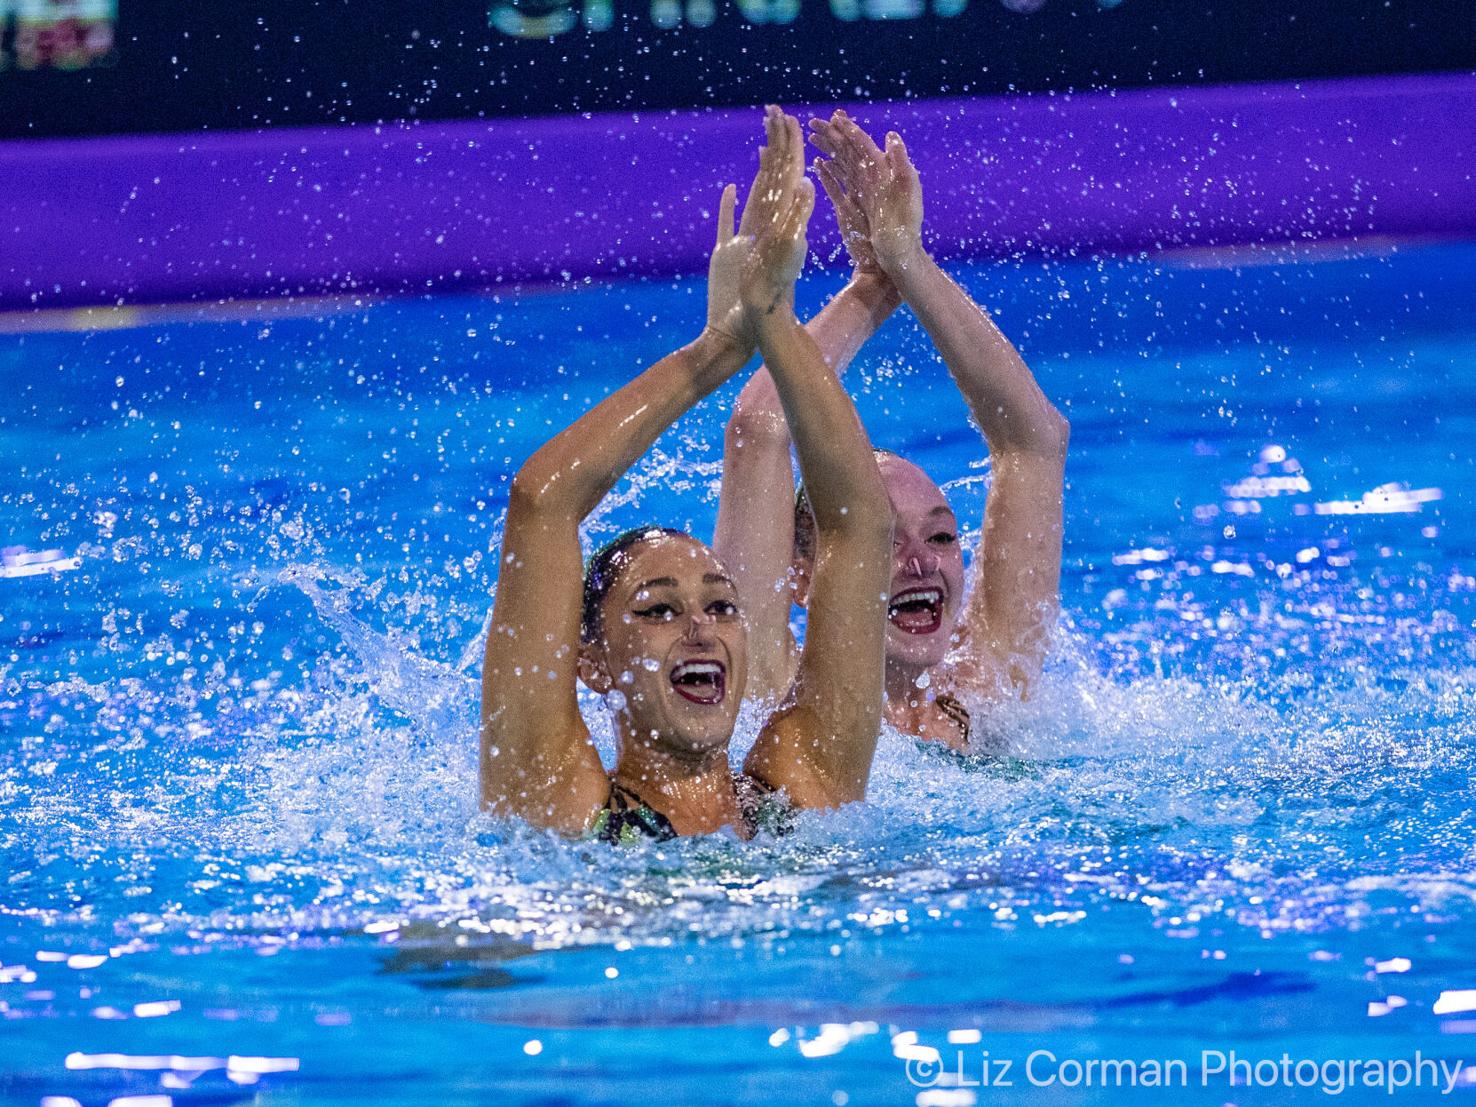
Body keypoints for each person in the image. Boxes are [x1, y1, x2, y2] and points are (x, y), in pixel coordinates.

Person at [479, 107, 894, 842]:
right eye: (658, 610)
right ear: (594, 663)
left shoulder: (799, 791)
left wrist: (773, 320)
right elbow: (541, 503)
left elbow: (859, 522)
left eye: (723, 606)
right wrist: (714, 353)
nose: (702, 629)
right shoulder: (563, 803)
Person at [715, 110, 1069, 754]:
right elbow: (758, 428)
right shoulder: (773, 693)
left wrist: (906, 265)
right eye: (881, 539)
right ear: (799, 578)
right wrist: (868, 292)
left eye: (940, 534)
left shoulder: (987, 694)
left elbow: (1033, 442)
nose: (920, 564)